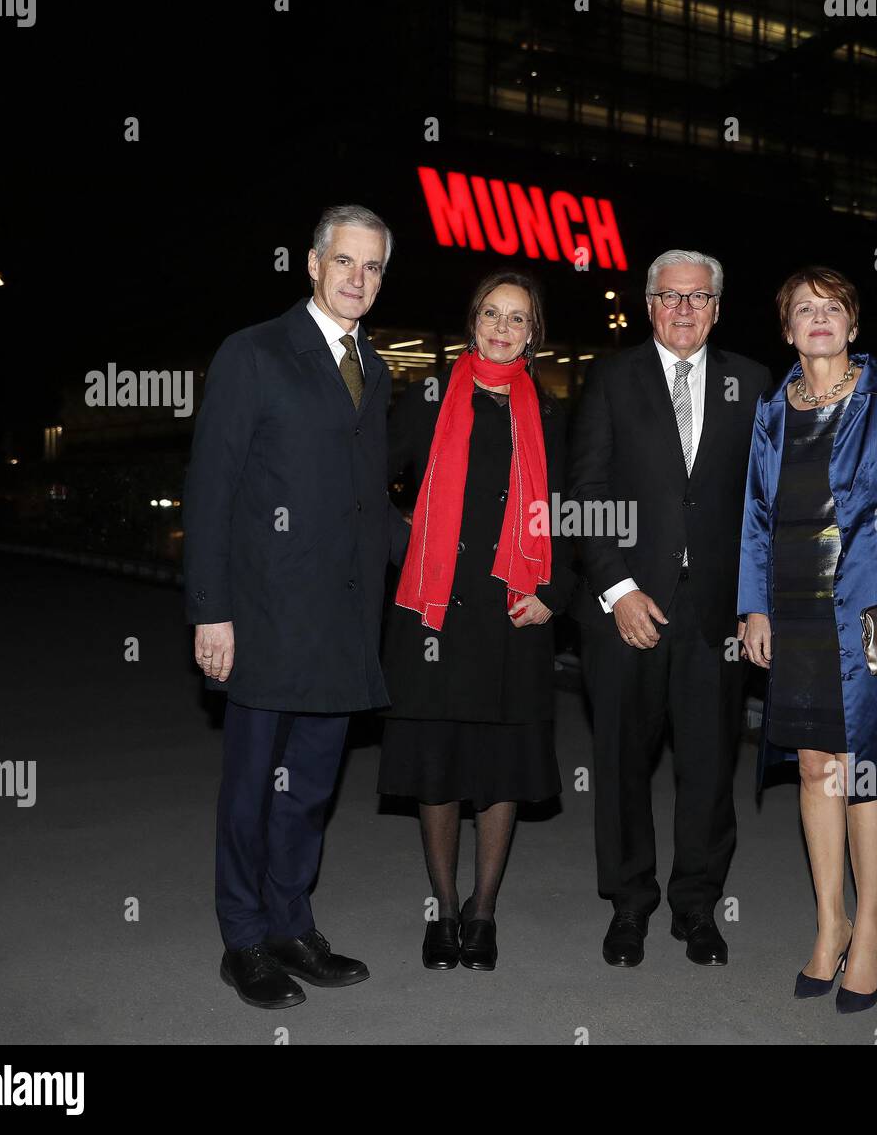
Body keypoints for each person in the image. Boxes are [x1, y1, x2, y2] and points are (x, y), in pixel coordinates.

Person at [183, 204, 409, 1010]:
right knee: (251, 787)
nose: (358, 279)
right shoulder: (254, 353)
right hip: (265, 619)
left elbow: (367, 503)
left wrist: (440, 558)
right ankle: (242, 940)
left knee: (310, 786)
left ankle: (291, 923)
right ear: (311, 265)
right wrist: (211, 610)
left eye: (373, 267)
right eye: (345, 262)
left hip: (345, 622)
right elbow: (211, 490)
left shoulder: (374, 367)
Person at [738, 265, 877, 1012]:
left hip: (873, 607)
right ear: (787, 330)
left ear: (853, 325)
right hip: (796, 609)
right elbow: (755, 519)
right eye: (803, 309)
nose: (819, 318)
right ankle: (829, 924)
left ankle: (869, 931)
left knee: (864, 768)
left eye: (832, 307)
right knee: (814, 770)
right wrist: (754, 609)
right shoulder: (774, 408)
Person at [568, 249, 769, 968]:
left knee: (711, 766)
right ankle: (629, 907)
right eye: (670, 297)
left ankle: (697, 910)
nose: (683, 310)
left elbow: (764, 506)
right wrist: (618, 590)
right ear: (649, 304)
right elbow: (585, 494)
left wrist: (756, 605)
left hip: (718, 616)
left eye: (698, 298)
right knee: (622, 761)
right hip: (628, 608)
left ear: (717, 307)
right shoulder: (611, 378)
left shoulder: (754, 383)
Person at [380, 270, 576, 972]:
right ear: (472, 322)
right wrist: (407, 545)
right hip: (434, 614)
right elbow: (369, 472)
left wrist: (557, 590)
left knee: (499, 769)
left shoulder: (550, 414)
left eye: (517, 318)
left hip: (513, 613)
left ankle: (483, 911)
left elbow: (572, 514)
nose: (501, 327)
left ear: (533, 334)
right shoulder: (430, 395)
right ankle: (443, 906)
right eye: (490, 313)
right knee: (438, 767)